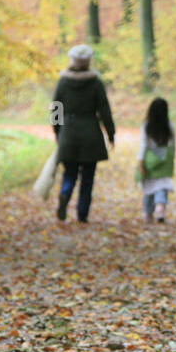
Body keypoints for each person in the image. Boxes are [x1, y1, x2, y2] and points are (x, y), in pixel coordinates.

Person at [50, 44, 115, 224]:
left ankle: (64, 194)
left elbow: (56, 108)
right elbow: (104, 110)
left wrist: (57, 131)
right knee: (87, 178)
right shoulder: (95, 83)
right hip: (90, 134)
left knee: (69, 173)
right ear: (88, 62)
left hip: (68, 133)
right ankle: (82, 214)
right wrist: (111, 133)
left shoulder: (63, 82)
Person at [136, 97, 175, 224]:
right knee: (162, 186)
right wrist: (171, 160)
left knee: (149, 189)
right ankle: (160, 207)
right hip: (164, 160)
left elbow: (143, 145)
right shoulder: (169, 126)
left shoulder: (146, 126)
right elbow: (172, 145)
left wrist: (140, 162)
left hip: (149, 161)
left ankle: (147, 214)